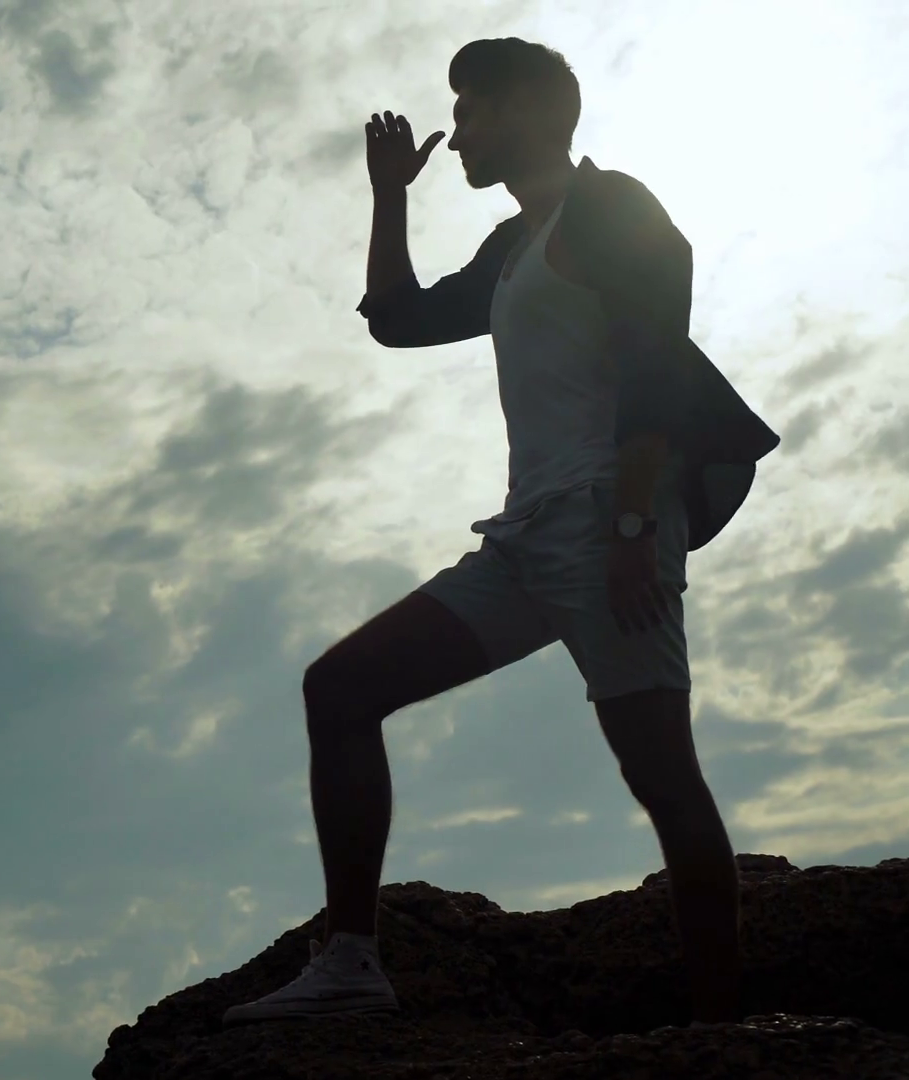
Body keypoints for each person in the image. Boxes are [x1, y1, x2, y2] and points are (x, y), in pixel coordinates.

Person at [223, 38, 779, 1028]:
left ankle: (722, 1031)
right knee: (340, 689)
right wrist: (389, 197)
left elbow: (655, 370)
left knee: (662, 775)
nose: (459, 135)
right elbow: (398, 320)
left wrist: (633, 526)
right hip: (524, 541)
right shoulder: (515, 245)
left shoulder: (612, 207)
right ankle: (351, 965)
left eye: (471, 112)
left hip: (610, 523)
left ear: (528, 107)